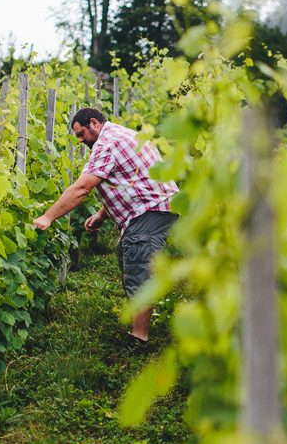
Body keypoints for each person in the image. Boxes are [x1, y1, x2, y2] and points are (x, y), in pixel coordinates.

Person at [33, 107, 179, 344]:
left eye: (81, 134)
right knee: (126, 255)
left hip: (151, 209)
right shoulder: (120, 135)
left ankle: (139, 339)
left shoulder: (107, 143)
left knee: (139, 269)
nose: (81, 141)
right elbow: (130, 177)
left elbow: (82, 188)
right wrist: (102, 213)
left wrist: (48, 217)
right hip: (151, 206)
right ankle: (138, 321)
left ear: (94, 123)